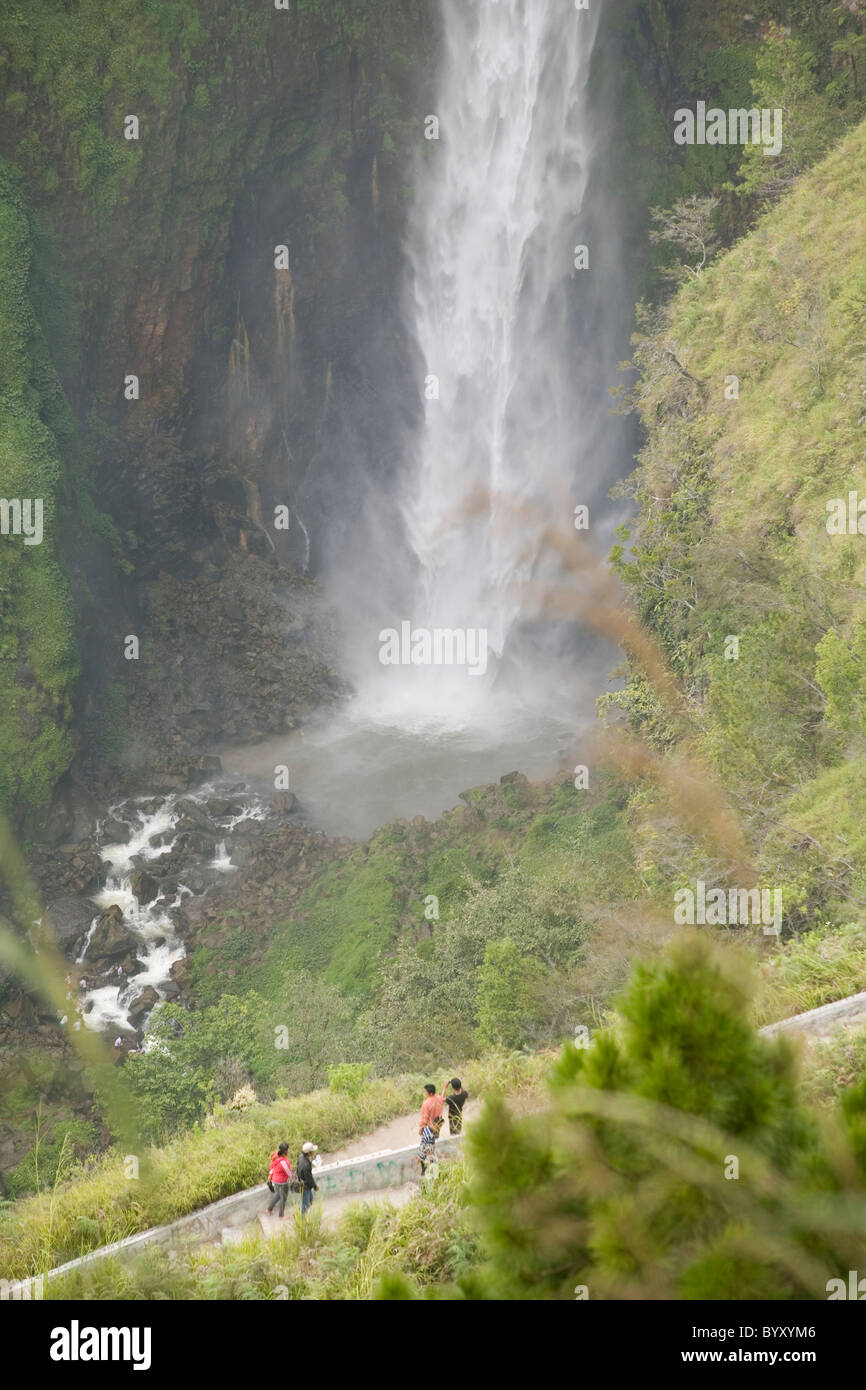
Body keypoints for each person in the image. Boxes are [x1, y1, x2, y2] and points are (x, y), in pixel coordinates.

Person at [266, 1142, 293, 1218]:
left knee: (278, 1195)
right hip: (282, 1182)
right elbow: (289, 1174)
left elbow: (272, 1167)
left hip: (275, 1180)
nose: (289, 1150)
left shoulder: (275, 1156)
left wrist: (270, 1175)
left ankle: (269, 1209)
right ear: (285, 1151)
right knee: (283, 1198)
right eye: (288, 1149)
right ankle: (281, 1216)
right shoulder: (284, 1162)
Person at [297, 1141, 319, 1214]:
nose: (313, 1152)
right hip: (305, 1186)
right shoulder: (306, 1164)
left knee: (310, 1201)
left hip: (304, 1184)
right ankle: (302, 1220)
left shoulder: (301, 1157)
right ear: (309, 1153)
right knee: (305, 1204)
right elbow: (309, 1178)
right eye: (312, 1151)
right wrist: (315, 1186)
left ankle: (305, 1215)